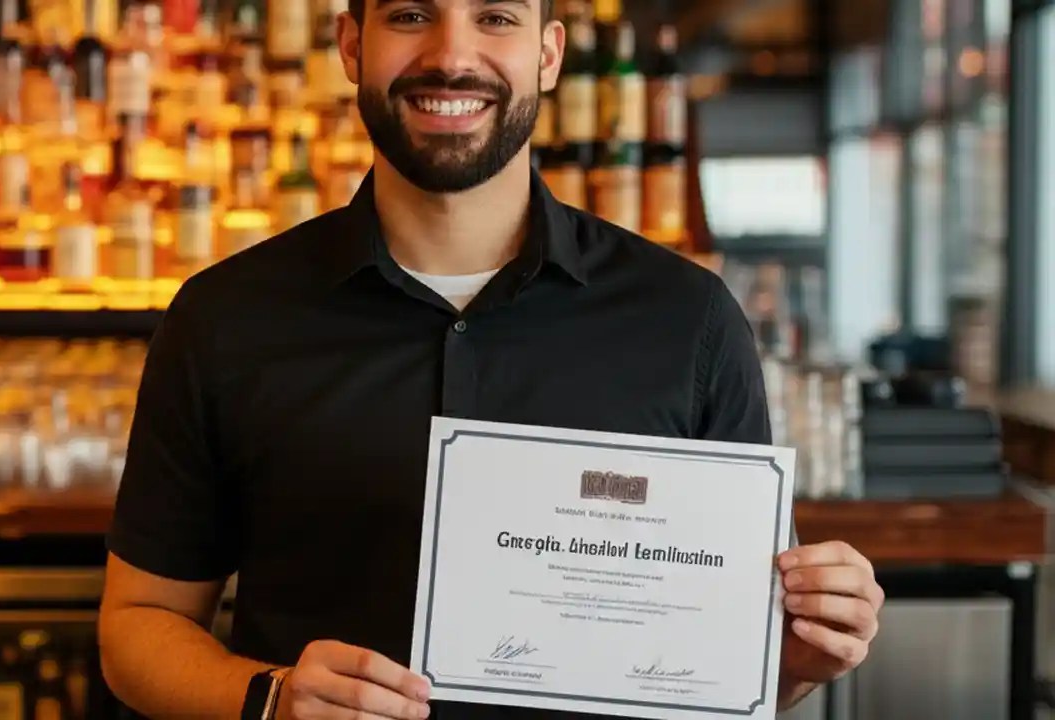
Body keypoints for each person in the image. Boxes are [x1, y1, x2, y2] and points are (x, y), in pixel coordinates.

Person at [97, 0, 885, 716]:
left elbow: (724, 671)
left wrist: (796, 659)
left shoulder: (689, 321)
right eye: (410, 15)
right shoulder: (225, 319)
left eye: (495, 18)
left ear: (548, 56)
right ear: (349, 44)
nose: (453, 54)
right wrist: (266, 700)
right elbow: (138, 627)